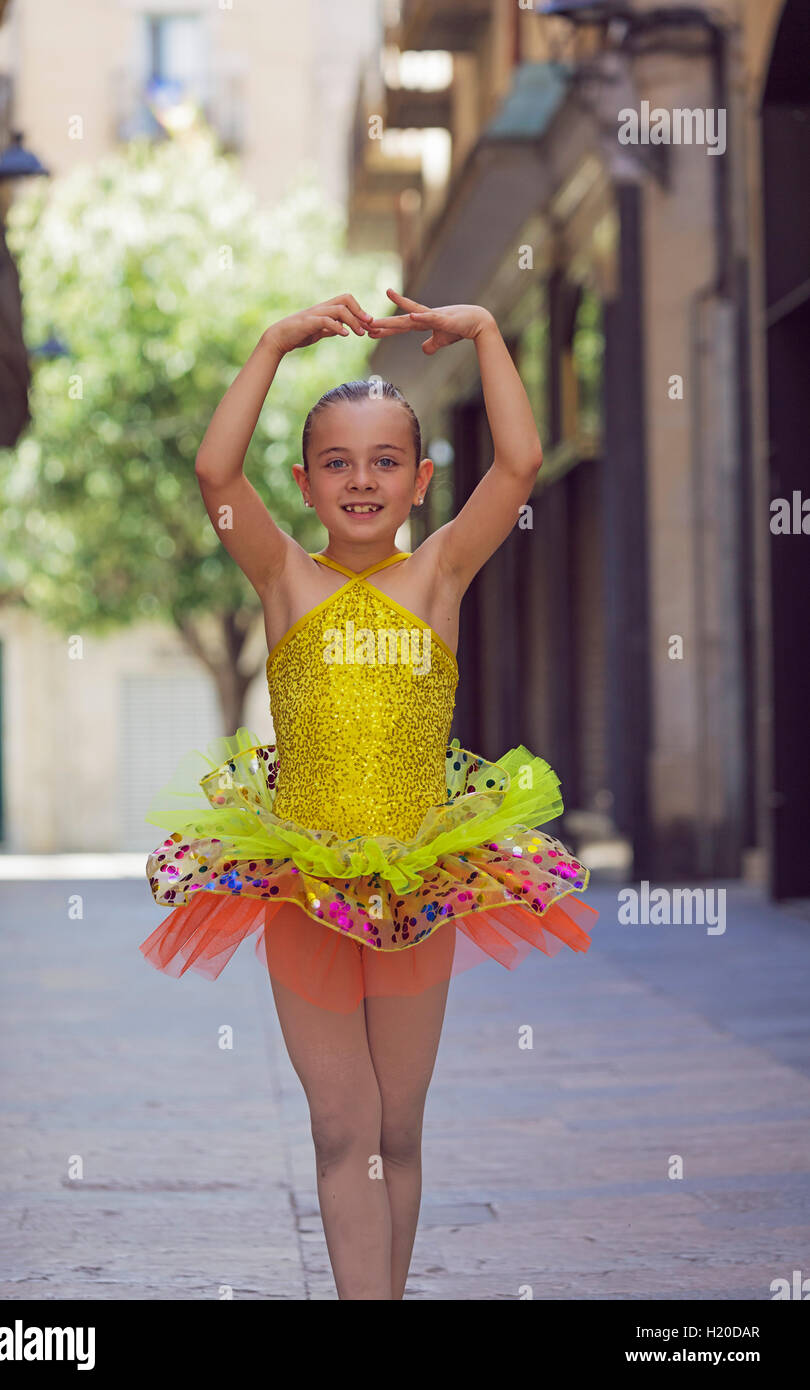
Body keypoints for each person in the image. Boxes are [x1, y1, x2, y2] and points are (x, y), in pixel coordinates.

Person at [139, 289, 598, 1300]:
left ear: (421, 480)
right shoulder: (282, 579)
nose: (360, 481)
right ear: (303, 482)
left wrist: (483, 332)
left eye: (384, 461)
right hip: (303, 878)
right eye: (336, 463)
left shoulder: (439, 573)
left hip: (419, 878)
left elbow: (519, 463)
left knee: (397, 1125)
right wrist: (271, 341)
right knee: (341, 1125)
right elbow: (215, 471)